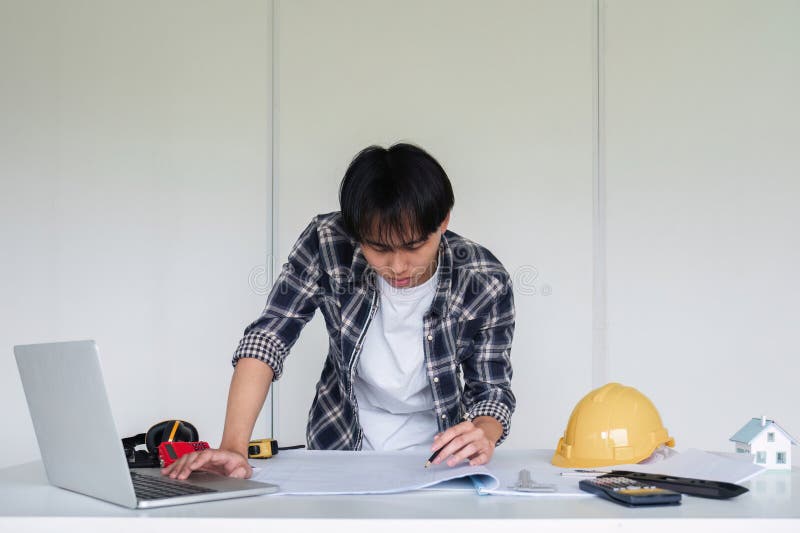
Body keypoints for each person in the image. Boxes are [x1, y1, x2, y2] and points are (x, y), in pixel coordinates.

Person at [162, 143, 516, 480]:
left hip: (440, 461)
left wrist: (483, 433)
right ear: (356, 231)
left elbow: (492, 390)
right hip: (340, 448)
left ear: (443, 221)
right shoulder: (327, 242)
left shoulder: (485, 280)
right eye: (378, 248)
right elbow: (268, 338)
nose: (397, 266)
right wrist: (234, 448)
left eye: (414, 246)